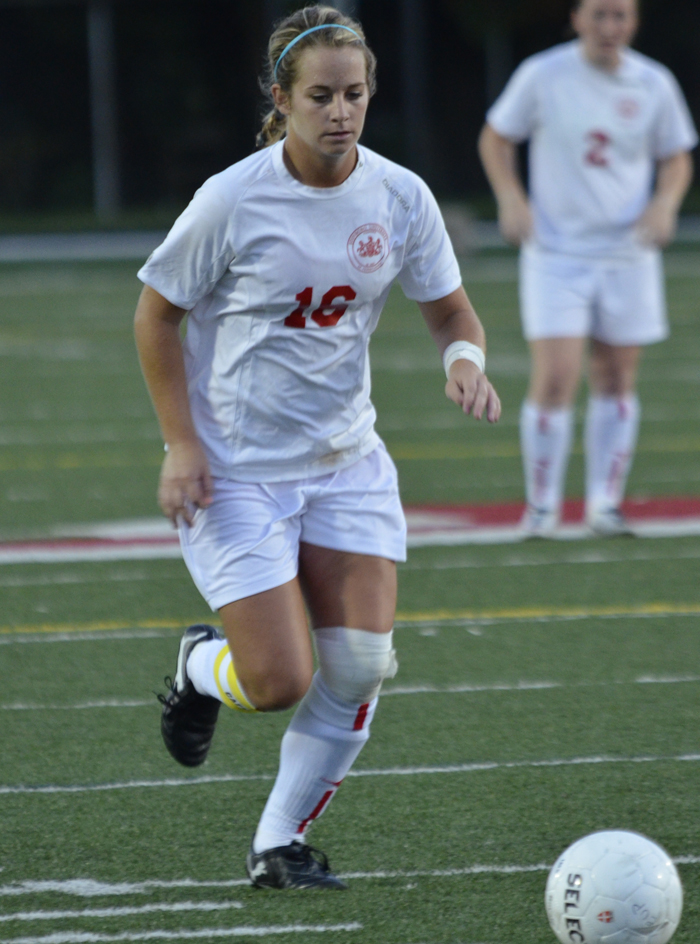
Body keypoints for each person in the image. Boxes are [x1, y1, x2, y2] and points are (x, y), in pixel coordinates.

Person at [135, 5, 501, 890]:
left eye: (356, 94)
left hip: (346, 463)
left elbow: (450, 307)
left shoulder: (400, 195)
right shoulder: (232, 198)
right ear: (281, 99)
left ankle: (278, 844)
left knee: (361, 663)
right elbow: (155, 315)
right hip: (238, 474)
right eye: (321, 96)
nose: (341, 112)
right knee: (276, 680)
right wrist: (180, 444)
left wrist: (464, 361)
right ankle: (199, 665)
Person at [478, 0, 696, 537]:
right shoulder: (543, 74)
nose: (610, 27)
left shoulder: (654, 82)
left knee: (618, 376)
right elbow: (496, 137)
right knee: (555, 376)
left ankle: (605, 504)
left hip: (628, 253)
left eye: (621, 15)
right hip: (557, 253)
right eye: (598, 14)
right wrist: (511, 197)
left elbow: (676, 155)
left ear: (635, 22)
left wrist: (666, 204)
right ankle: (542, 508)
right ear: (576, 18)